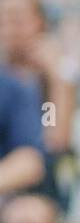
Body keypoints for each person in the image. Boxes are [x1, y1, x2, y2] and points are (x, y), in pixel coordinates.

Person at [0, 0, 76, 212]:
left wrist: (56, 80)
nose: (9, 29)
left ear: (39, 22)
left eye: (17, 19)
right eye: (3, 19)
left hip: (43, 187)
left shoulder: (52, 77)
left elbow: (55, 138)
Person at [0, 62, 45, 199]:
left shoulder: (12, 88)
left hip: (7, 195)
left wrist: (62, 77)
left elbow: (31, 161)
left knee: (31, 215)